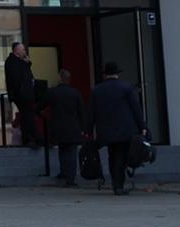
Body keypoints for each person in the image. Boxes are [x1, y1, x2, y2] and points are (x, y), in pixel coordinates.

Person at [85, 61, 146, 195]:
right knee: (122, 156)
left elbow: (91, 112)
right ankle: (119, 185)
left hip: (106, 131)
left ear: (105, 74)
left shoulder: (97, 89)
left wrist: (88, 131)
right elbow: (136, 109)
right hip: (125, 130)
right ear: (117, 74)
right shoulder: (127, 87)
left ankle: (116, 183)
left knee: (112, 155)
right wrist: (142, 126)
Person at [45, 69, 85, 186]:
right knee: (72, 152)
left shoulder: (52, 92)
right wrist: (84, 128)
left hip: (57, 126)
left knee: (62, 150)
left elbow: (40, 105)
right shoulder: (75, 92)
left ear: (59, 78)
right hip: (73, 126)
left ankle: (63, 172)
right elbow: (81, 111)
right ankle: (70, 178)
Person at [5, 42, 38, 148]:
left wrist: (27, 64)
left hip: (25, 94)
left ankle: (32, 138)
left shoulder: (19, 62)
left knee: (28, 115)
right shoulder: (12, 61)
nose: (25, 52)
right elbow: (16, 78)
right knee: (27, 115)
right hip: (21, 95)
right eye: (23, 49)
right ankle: (29, 139)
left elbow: (25, 74)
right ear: (16, 50)